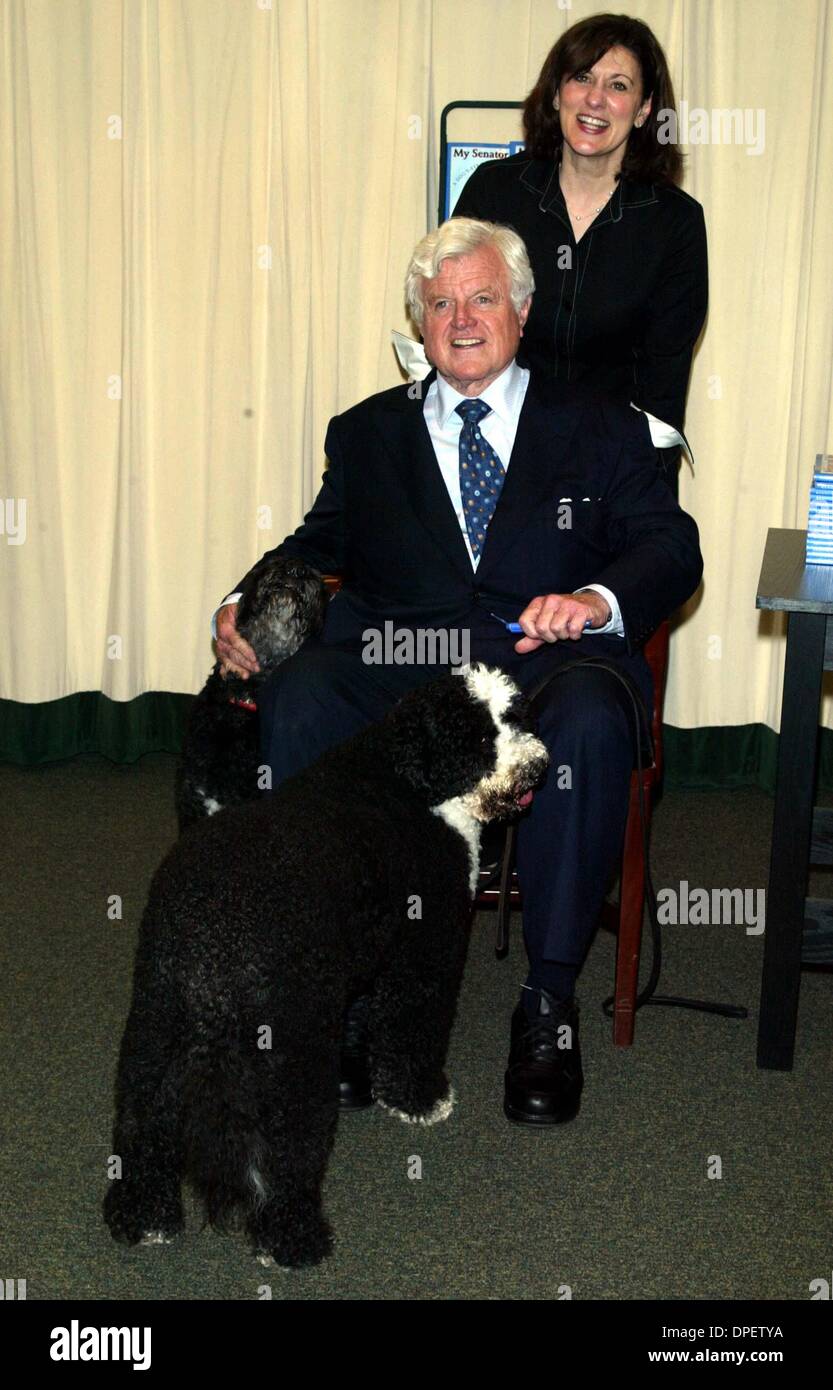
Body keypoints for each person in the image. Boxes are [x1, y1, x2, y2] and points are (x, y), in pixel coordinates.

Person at [214, 217, 702, 1126]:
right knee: (304, 692)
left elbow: (669, 546)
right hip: (407, 665)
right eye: (440, 303)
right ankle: (349, 990)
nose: (461, 318)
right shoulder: (366, 433)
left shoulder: (598, 424)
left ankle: (548, 1006)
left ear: (519, 309)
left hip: (543, 665)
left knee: (594, 718)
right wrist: (238, 603)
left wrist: (594, 600)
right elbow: (313, 547)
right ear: (420, 321)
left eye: (481, 297)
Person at [452, 12, 708, 495]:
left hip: (610, 475)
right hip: (493, 466)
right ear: (556, 92)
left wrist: (644, 514)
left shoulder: (675, 224)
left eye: (618, 85)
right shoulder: (493, 192)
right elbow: (453, 330)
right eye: (583, 77)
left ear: (644, 109)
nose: (596, 98)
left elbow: (663, 389)